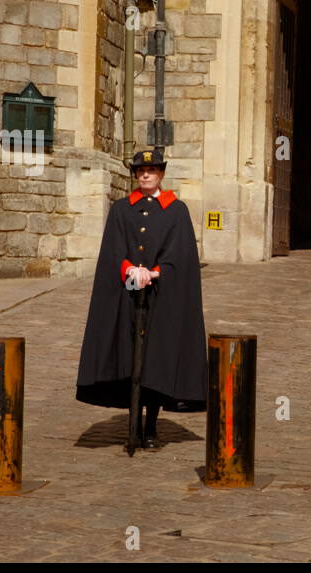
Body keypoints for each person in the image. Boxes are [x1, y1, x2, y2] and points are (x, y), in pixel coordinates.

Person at [76, 149, 207, 449]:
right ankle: (132, 424)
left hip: (162, 297)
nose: (146, 174)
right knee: (130, 358)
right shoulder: (122, 209)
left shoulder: (177, 210)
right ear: (136, 175)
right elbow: (113, 249)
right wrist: (130, 269)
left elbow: (181, 254)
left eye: (152, 170)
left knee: (156, 362)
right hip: (127, 295)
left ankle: (150, 425)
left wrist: (157, 273)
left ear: (161, 173)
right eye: (141, 170)